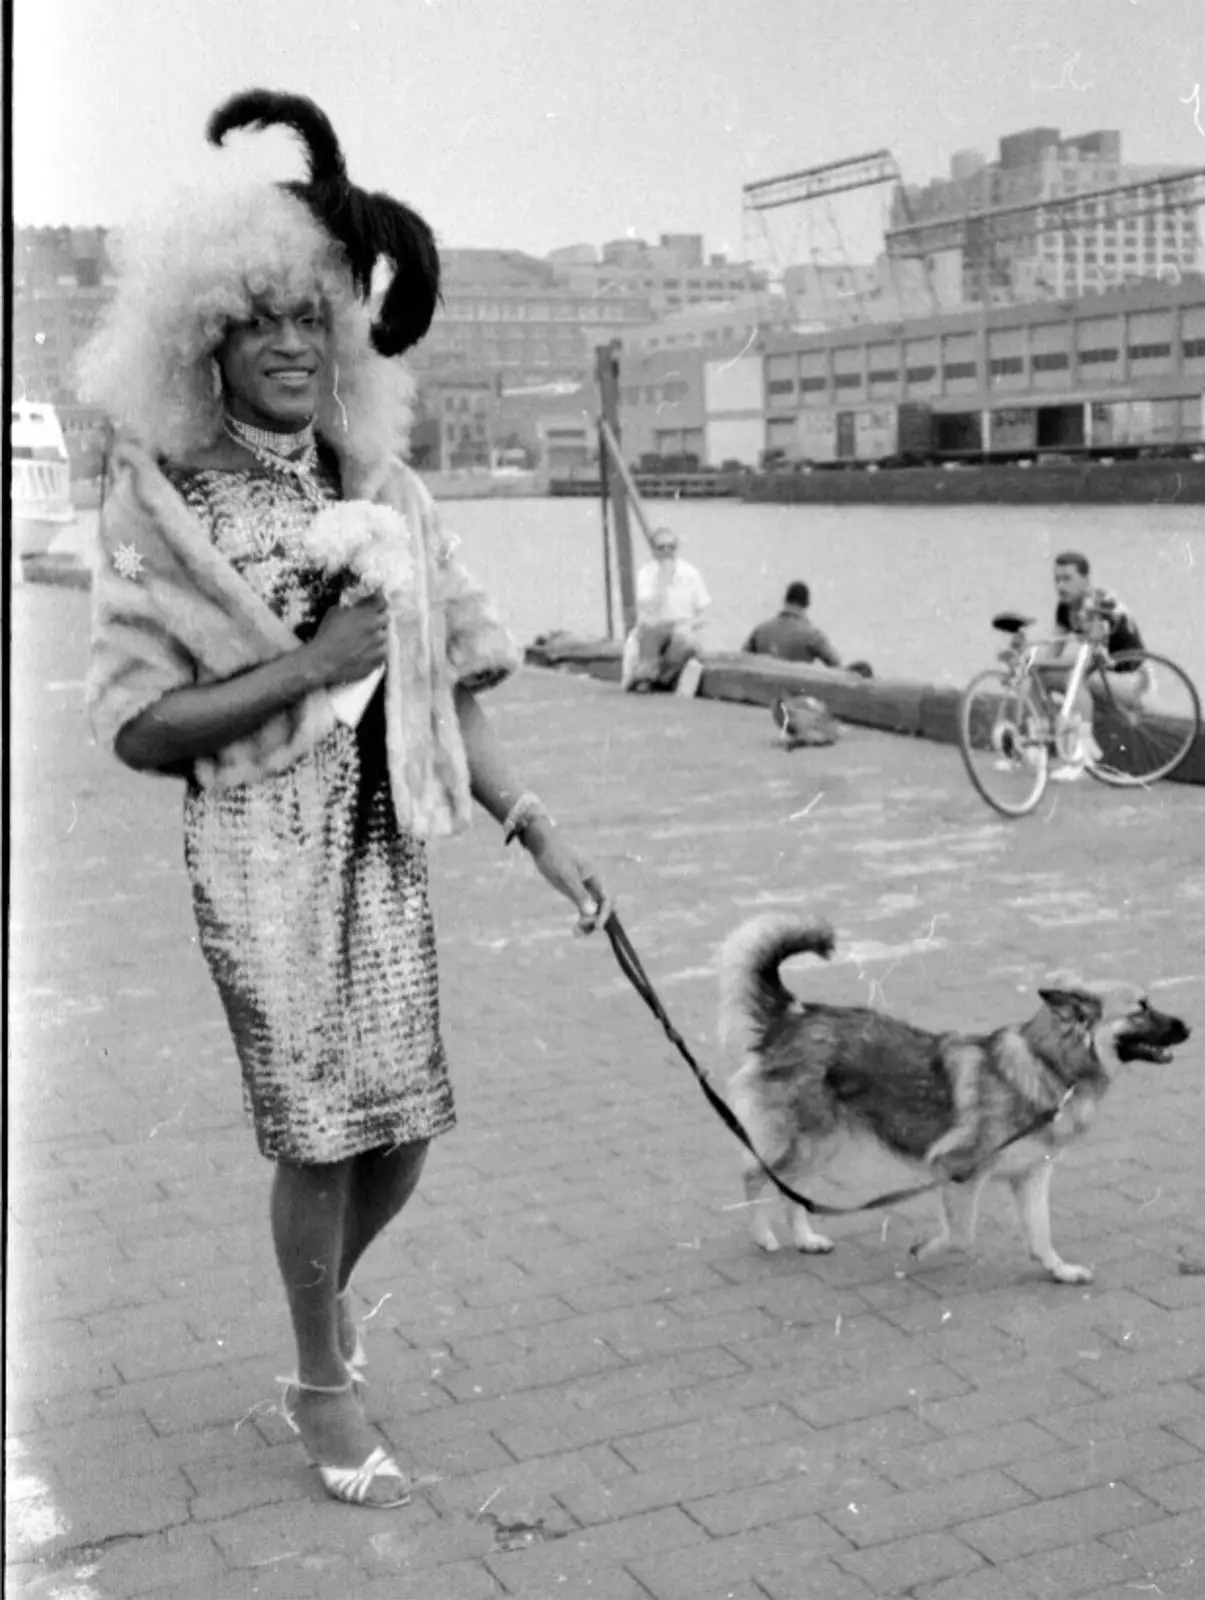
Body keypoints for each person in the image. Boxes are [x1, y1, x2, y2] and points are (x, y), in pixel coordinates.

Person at [79, 90, 611, 1511]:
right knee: (318, 1131)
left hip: (382, 839)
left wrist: (541, 830)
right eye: (264, 323)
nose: (296, 346)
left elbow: (458, 686)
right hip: (256, 845)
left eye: (316, 320)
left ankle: (314, 1317)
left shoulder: (388, 489)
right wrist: (306, 666)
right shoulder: (163, 508)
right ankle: (321, 1373)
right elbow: (137, 726)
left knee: (405, 1132)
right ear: (210, 339)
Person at [1038, 549, 1150, 779]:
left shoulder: (1099, 604)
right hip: (1104, 675)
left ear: (1086, 579)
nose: (1060, 585)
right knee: (1039, 674)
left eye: (1067, 578)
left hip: (1132, 681)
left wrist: (1051, 667)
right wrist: (1035, 667)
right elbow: (1052, 654)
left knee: (1075, 678)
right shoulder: (1065, 608)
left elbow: (1089, 658)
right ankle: (1032, 746)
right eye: (1056, 579)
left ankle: (1080, 759)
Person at [621, 525, 710, 695]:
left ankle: (657, 680)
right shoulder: (646, 574)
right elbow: (649, 609)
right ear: (654, 551)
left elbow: (703, 613)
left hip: (682, 627)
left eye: (671, 547)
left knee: (686, 643)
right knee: (651, 631)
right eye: (661, 547)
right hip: (654, 627)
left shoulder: (691, 574)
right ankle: (646, 679)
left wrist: (690, 626)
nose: (667, 551)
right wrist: (663, 582)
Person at [743, 581, 842, 667]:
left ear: (785, 600)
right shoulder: (813, 635)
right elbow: (836, 664)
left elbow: (740, 661)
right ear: (806, 604)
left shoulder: (760, 631)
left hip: (762, 687)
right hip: (796, 688)